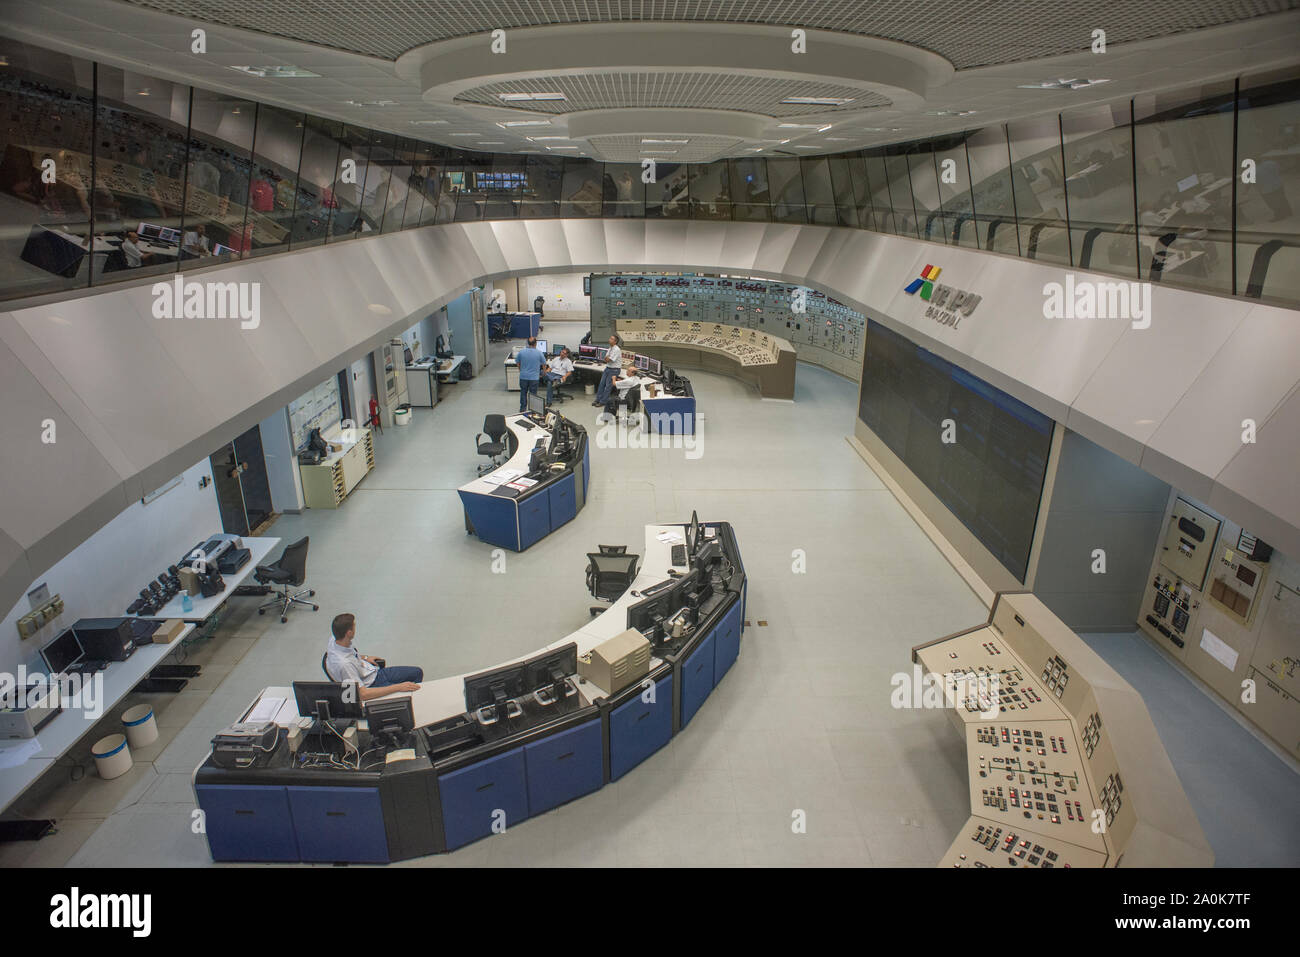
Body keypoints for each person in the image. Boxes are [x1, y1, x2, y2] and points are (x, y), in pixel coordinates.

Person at [325, 613, 422, 701]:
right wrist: (398, 687)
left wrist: (365, 658)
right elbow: (362, 694)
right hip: (371, 685)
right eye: (354, 627)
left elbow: (349, 653)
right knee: (410, 691)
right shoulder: (345, 666)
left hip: (373, 672)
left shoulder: (335, 639)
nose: (355, 628)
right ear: (349, 633)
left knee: (417, 672)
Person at [515, 336, 546, 413]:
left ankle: (522, 410)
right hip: (534, 378)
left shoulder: (521, 352)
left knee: (523, 393)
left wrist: (520, 370)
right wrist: (543, 373)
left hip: (523, 377)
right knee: (533, 395)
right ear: (536, 343)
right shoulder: (539, 353)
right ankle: (532, 411)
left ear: (527, 343)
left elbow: (518, 362)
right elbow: (544, 364)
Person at [594, 335, 622, 406]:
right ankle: (598, 399)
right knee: (601, 384)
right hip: (608, 368)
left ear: (615, 342)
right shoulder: (610, 348)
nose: (609, 340)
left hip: (614, 370)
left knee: (608, 387)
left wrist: (607, 358)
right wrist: (607, 358)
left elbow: (609, 359)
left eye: (611, 339)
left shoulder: (616, 349)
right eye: (610, 338)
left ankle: (603, 402)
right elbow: (605, 359)